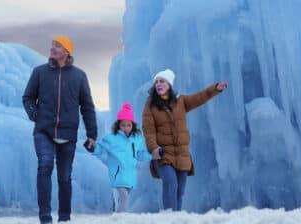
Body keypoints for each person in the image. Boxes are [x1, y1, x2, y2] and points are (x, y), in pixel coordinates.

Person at [21, 35, 98, 224]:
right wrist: (35, 115)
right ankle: (45, 217)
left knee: (65, 176)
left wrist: (91, 134)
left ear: (67, 51)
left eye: (57, 46)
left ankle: (64, 218)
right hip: (44, 131)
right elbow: (28, 97)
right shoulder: (40, 72)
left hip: (68, 133)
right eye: (52, 45)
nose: (52, 48)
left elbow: (87, 106)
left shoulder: (79, 76)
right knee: (45, 166)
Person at [142, 68, 228, 211]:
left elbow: (199, 97)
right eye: (156, 82)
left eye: (162, 81)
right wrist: (154, 148)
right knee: (171, 184)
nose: (158, 84)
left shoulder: (181, 101)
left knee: (180, 192)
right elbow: (148, 130)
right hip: (163, 154)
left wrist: (215, 89)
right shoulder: (150, 105)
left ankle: (177, 220)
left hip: (182, 154)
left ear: (169, 84)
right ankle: (170, 218)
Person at [92, 102, 153, 213]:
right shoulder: (111, 138)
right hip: (117, 174)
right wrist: (92, 148)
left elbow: (139, 154)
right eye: (123, 125)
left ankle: (118, 215)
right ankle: (121, 219)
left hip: (130, 175)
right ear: (118, 125)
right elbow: (100, 149)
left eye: (128, 125)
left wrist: (152, 155)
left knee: (123, 199)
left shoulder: (137, 139)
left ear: (133, 125)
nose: (126, 128)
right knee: (123, 196)